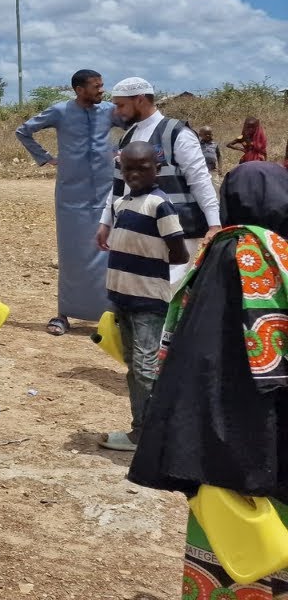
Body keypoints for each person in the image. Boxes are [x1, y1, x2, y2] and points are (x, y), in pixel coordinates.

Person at [127, 161, 288, 596]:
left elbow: (189, 345)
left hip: (217, 425)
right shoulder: (278, 254)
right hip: (273, 421)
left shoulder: (217, 253)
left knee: (224, 533)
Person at [99, 141, 190, 453]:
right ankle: (141, 431)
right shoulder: (122, 203)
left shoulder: (159, 205)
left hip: (148, 301)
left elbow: (178, 253)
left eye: (143, 168)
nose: (135, 174)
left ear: (158, 170)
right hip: (124, 299)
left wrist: (148, 264)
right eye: (128, 169)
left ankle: (162, 435)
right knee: (134, 367)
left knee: (145, 368)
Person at [15, 69, 117, 336]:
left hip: (107, 192)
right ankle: (64, 313)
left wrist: (122, 153)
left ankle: (111, 315)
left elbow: (139, 127)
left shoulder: (109, 110)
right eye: (96, 86)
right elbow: (24, 131)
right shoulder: (60, 111)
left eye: (102, 85)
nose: (101, 90)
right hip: (71, 194)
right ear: (79, 89)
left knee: (108, 252)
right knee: (72, 254)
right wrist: (45, 157)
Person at [96, 77, 220, 286]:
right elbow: (118, 184)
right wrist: (105, 221)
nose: (117, 111)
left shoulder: (177, 133)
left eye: (121, 105)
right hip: (137, 227)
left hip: (176, 229)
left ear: (140, 100)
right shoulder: (128, 136)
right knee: (142, 291)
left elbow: (200, 180)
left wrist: (214, 224)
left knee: (167, 290)